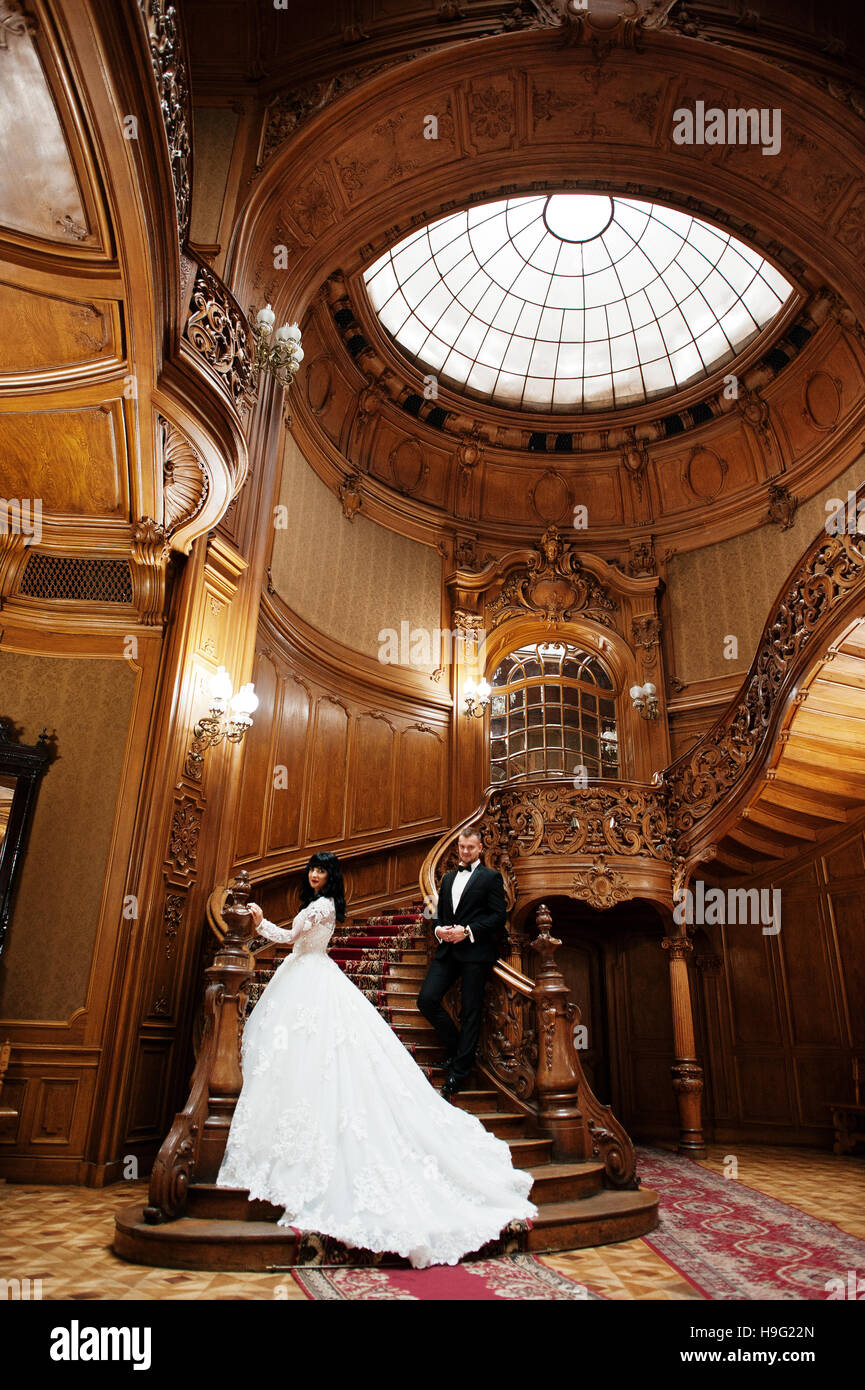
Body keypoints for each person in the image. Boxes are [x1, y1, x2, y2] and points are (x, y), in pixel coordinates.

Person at [216, 850, 536, 1268]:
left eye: (321, 871)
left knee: (317, 1059)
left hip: (309, 976)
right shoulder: (321, 905)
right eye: (312, 869)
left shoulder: (322, 907)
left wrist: (258, 922)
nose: (314, 875)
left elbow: (288, 938)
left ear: (330, 877)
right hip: (305, 976)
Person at [417, 826, 506, 1099]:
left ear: (480, 848)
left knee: (470, 1011)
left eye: (470, 847)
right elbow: (438, 914)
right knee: (427, 1000)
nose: (465, 851)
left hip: (475, 952)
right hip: (448, 951)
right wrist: (439, 930)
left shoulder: (491, 877)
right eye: (462, 847)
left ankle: (460, 1070)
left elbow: (498, 917)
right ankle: (459, 1051)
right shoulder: (447, 878)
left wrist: (467, 931)